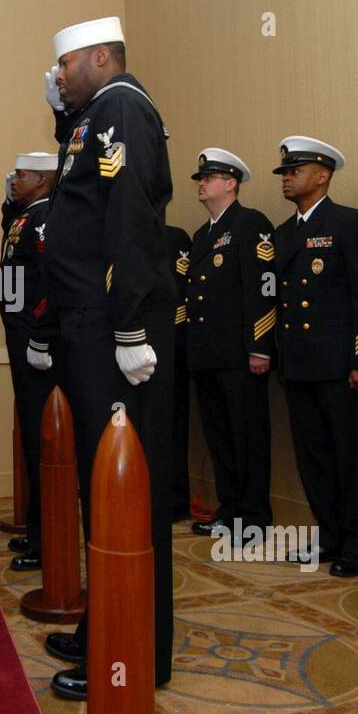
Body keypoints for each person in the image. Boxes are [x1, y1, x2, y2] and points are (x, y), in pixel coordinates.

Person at [26, 17, 175, 701]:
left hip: (113, 327)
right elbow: (85, 195)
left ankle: (135, 649)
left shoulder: (123, 106)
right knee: (99, 488)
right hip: (89, 324)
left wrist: (129, 325)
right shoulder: (98, 113)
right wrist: (64, 122)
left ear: (101, 56)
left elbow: (132, 217)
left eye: (64, 65)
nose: (58, 76)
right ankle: (104, 626)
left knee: (124, 494)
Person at [271, 136, 358, 574]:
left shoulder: (350, 223)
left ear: (322, 175)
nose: (286, 178)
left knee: (349, 456)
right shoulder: (283, 235)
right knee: (313, 456)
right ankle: (330, 535)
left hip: (341, 364)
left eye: (294, 171)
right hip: (299, 363)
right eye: (284, 172)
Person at [185, 150, 275, 540]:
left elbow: (262, 289)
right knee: (219, 436)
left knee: (247, 435)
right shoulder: (202, 235)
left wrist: (260, 346)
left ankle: (253, 516)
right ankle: (230, 509)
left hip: (240, 355)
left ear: (231, 183)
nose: (201, 184)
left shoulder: (250, 223)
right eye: (200, 178)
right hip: (207, 354)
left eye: (209, 177)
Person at [0, 151, 57, 571]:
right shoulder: (25, 216)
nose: (13, 179)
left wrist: (39, 336)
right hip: (21, 342)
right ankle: (37, 533)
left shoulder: (46, 218)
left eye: (20, 175)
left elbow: (49, 284)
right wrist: (9, 200)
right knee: (33, 445)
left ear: (42, 180)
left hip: (38, 346)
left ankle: (47, 540)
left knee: (43, 448)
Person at [164, 222, 194, 524]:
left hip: (171, 346)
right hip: (125, 348)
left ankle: (173, 499)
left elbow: (181, 293)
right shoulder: (119, 232)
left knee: (172, 426)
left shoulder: (176, 237)